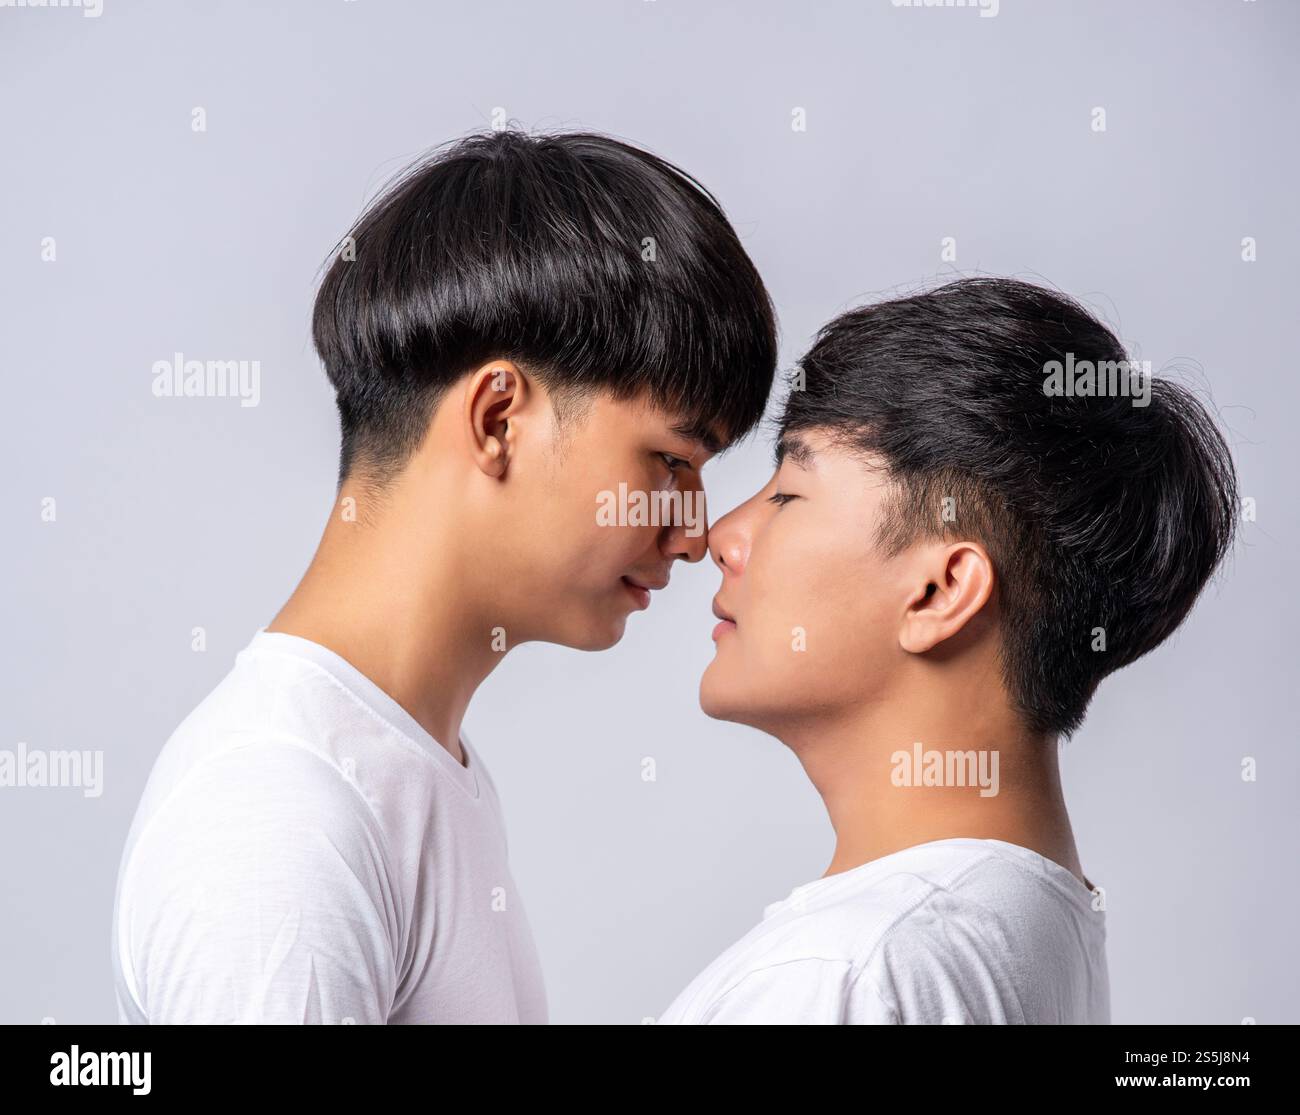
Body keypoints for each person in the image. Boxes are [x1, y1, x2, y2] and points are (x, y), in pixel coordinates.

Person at [111, 130, 777, 1024]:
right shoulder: (278, 818)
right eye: (670, 460)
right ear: (498, 418)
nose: (695, 536)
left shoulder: (414, 774)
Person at [659, 277, 1237, 1024]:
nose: (721, 536)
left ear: (941, 591)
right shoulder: (1028, 934)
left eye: (789, 493)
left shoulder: (844, 977)